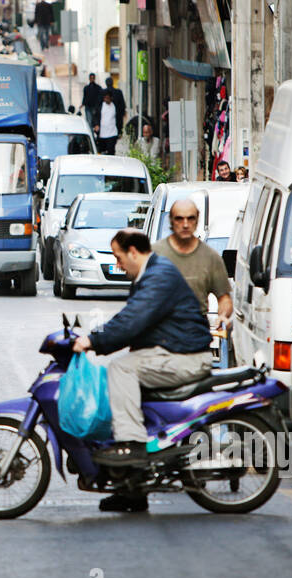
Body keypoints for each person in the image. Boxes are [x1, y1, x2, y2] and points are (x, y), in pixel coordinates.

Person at [72, 229, 213, 511]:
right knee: (127, 380)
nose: (117, 264)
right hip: (171, 350)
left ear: (134, 252)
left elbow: (133, 320)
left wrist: (93, 340)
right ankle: (132, 491)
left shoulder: (159, 276)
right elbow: (134, 321)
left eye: (119, 257)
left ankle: (132, 446)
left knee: (121, 369)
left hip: (185, 357)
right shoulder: (149, 274)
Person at [150, 198, 231, 330]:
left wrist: (222, 316)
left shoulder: (210, 257)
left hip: (196, 330)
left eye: (190, 218)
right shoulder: (155, 254)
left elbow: (224, 298)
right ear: (171, 220)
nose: (185, 224)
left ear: (197, 219)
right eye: (179, 219)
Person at [93, 89, 121, 154]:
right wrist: (96, 125)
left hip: (112, 133)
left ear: (111, 98)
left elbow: (119, 119)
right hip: (102, 134)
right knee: (102, 152)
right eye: (105, 98)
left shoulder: (115, 106)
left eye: (108, 98)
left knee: (111, 151)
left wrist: (119, 131)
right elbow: (96, 116)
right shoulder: (100, 106)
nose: (106, 99)